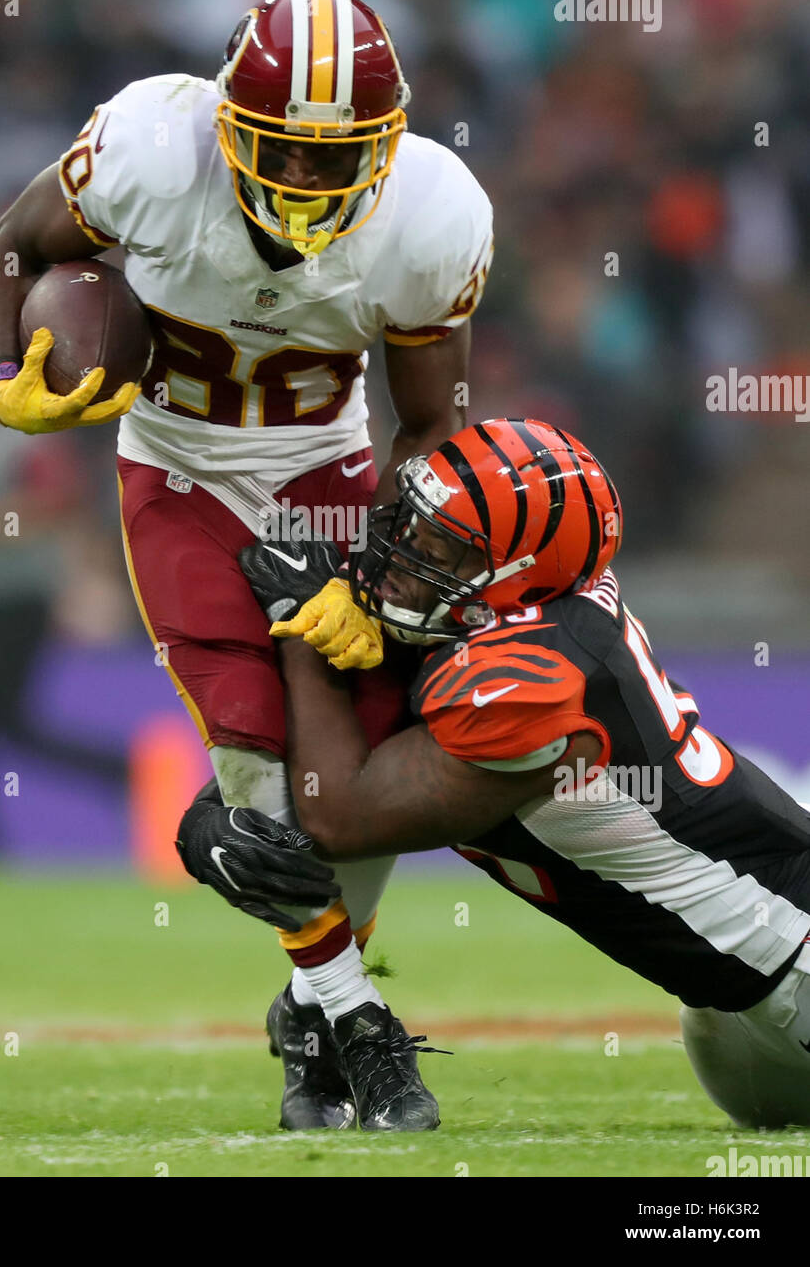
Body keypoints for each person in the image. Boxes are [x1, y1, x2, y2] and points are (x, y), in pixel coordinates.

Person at [0, 0, 494, 1131]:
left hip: (327, 473)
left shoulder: (428, 210)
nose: (310, 186)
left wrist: (396, 574)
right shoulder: (153, 149)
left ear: (387, 143)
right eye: (283, 155)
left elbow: (434, 424)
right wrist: (11, 373)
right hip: (180, 472)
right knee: (255, 758)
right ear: (223, 127)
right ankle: (353, 1022)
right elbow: (13, 251)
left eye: (338, 159)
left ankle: (308, 1012)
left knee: (359, 770)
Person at [184, 418, 810, 1130]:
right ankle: (310, 1002)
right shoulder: (503, 616)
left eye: (439, 544)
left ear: (513, 573)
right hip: (732, 1007)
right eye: (415, 522)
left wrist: (301, 628)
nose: (403, 551)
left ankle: (308, 1002)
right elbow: (375, 749)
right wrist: (216, 805)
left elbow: (339, 813)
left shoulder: (526, 677)